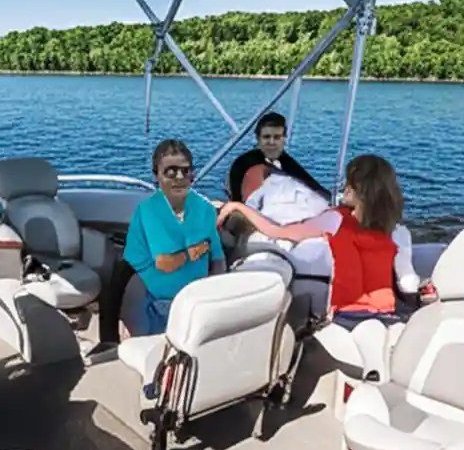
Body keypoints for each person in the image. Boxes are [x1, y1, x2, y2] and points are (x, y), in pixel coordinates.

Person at [217, 153, 421, 320]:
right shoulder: (398, 232)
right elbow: (408, 283)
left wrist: (239, 207)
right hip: (387, 314)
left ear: (361, 191)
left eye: (350, 183)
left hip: (347, 315)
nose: (345, 186)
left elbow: (278, 231)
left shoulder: (335, 220)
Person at [122, 139, 225, 335]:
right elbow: (165, 263)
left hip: (196, 302)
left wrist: (214, 296)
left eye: (185, 171)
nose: (179, 177)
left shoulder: (206, 209)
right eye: (170, 171)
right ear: (157, 176)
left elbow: (218, 258)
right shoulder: (148, 211)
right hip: (153, 300)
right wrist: (195, 251)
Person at [226, 112, 330, 204]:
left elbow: (312, 185)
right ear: (258, 139)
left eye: (277, 137)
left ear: (284, 139)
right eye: (266, 137)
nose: (271, 142)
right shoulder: (243, 164)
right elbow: (236, 199)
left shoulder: (286, 162)